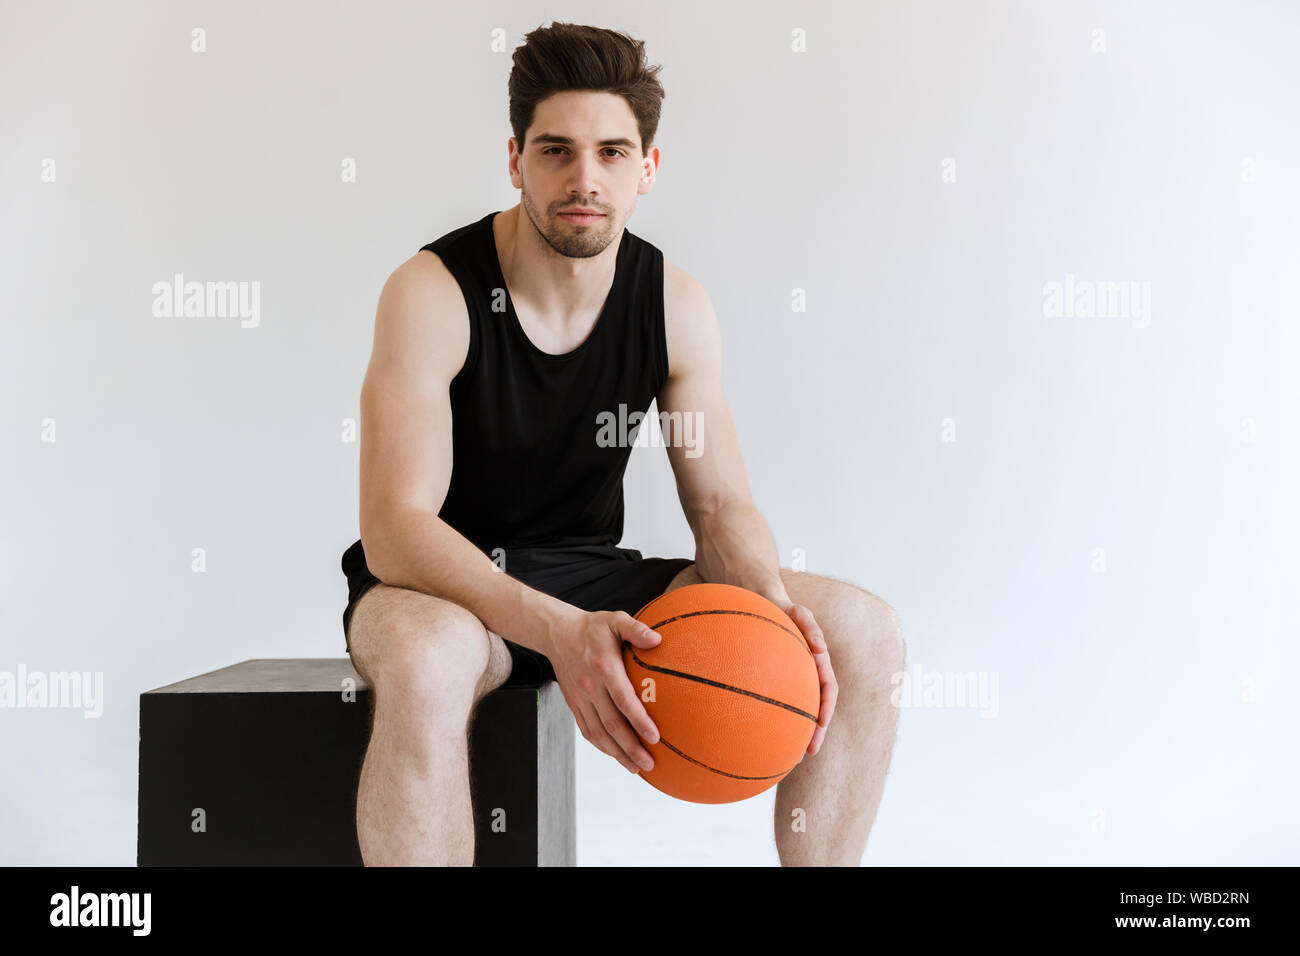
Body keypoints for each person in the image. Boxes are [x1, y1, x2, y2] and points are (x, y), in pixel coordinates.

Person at [340, 21, 903, 866]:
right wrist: (558, 631)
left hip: (590, 574)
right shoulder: (433, 291)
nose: (584, 179)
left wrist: (772, 608)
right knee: (425, 662)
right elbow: (397, 528)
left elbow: (718, 504)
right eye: (556, 151)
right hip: (440, 586)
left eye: (611, 152)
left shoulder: (674, 303)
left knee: (864, 631)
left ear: (648, 168)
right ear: (515, 160)